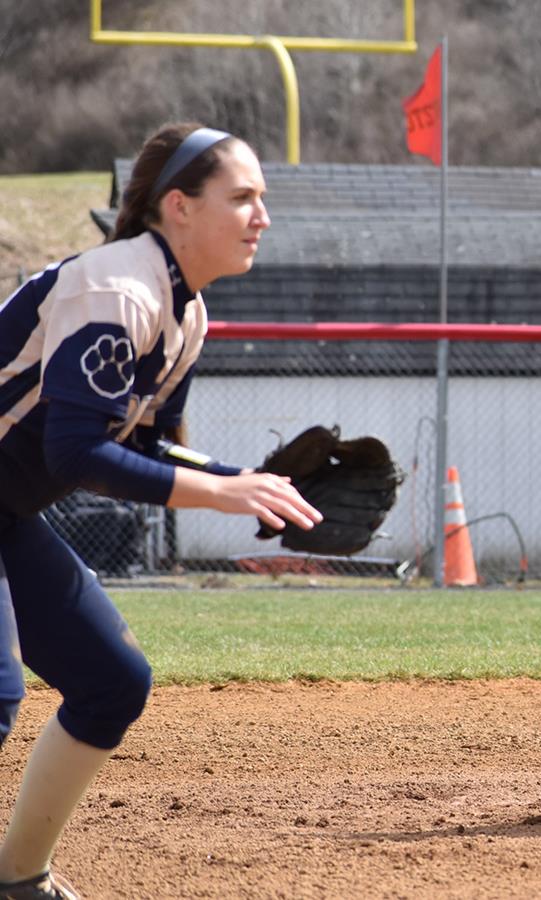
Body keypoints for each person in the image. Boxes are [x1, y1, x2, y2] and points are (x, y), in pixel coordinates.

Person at [0, 123, 321, 898]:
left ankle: (17, 880)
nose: (261, 217)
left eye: (262, 200)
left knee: (112, 679)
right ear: (177, 206)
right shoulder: (120, 290)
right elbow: (75, 453)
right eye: (241, 197)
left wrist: (250, 482)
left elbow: (148, 449)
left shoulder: (188, 317)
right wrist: (220, 489)